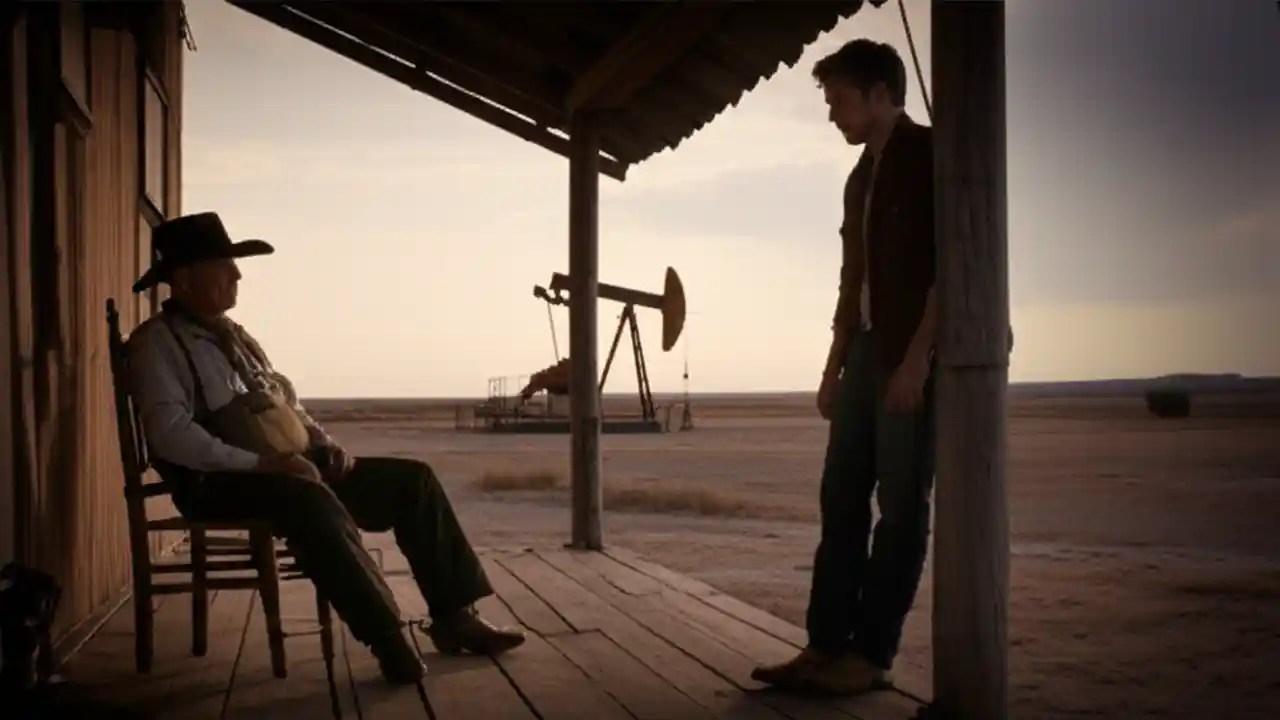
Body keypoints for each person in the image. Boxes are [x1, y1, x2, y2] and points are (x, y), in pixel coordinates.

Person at [126, 212, 525, 685]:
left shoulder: (238, 337)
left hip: (287, 467)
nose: (237, 275)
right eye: (224, 264)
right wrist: (260, 464)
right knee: (308, 500)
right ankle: (387, 638)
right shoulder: (157, 343)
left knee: (410, 481)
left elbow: (287, 405)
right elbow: (170, 433)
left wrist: (324, 444)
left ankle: (454, 616)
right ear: (184, 278)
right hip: (218, 481)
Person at [751, 39, 937, 695]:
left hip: (907, 353)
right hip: (861, 351)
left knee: (902, 507)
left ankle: (870, 657)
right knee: (840, 498)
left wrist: (917, 361)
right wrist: (833, 365)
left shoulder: (930, 156)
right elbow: (850, 278)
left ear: (880, 94)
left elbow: (950, 267)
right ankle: (825, 645)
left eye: (838, 100)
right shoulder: (860, 176)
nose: (832, 114)